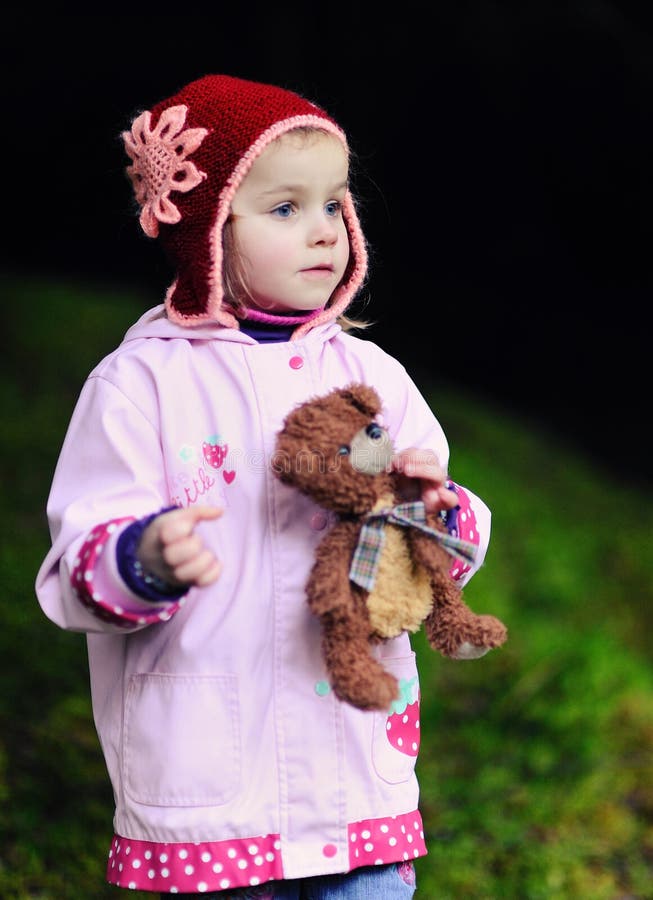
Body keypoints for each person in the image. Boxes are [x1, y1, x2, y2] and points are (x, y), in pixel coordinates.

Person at [35, 73, 494, 899]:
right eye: (285, 209)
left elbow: (449, 544)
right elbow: (75, 570)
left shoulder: (371, 375)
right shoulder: (139, 385)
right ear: (206, 230)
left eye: (332, 204)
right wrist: (144, 559)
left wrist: (438, 511)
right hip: (212, 791)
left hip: (356, 778)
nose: (323, 232)